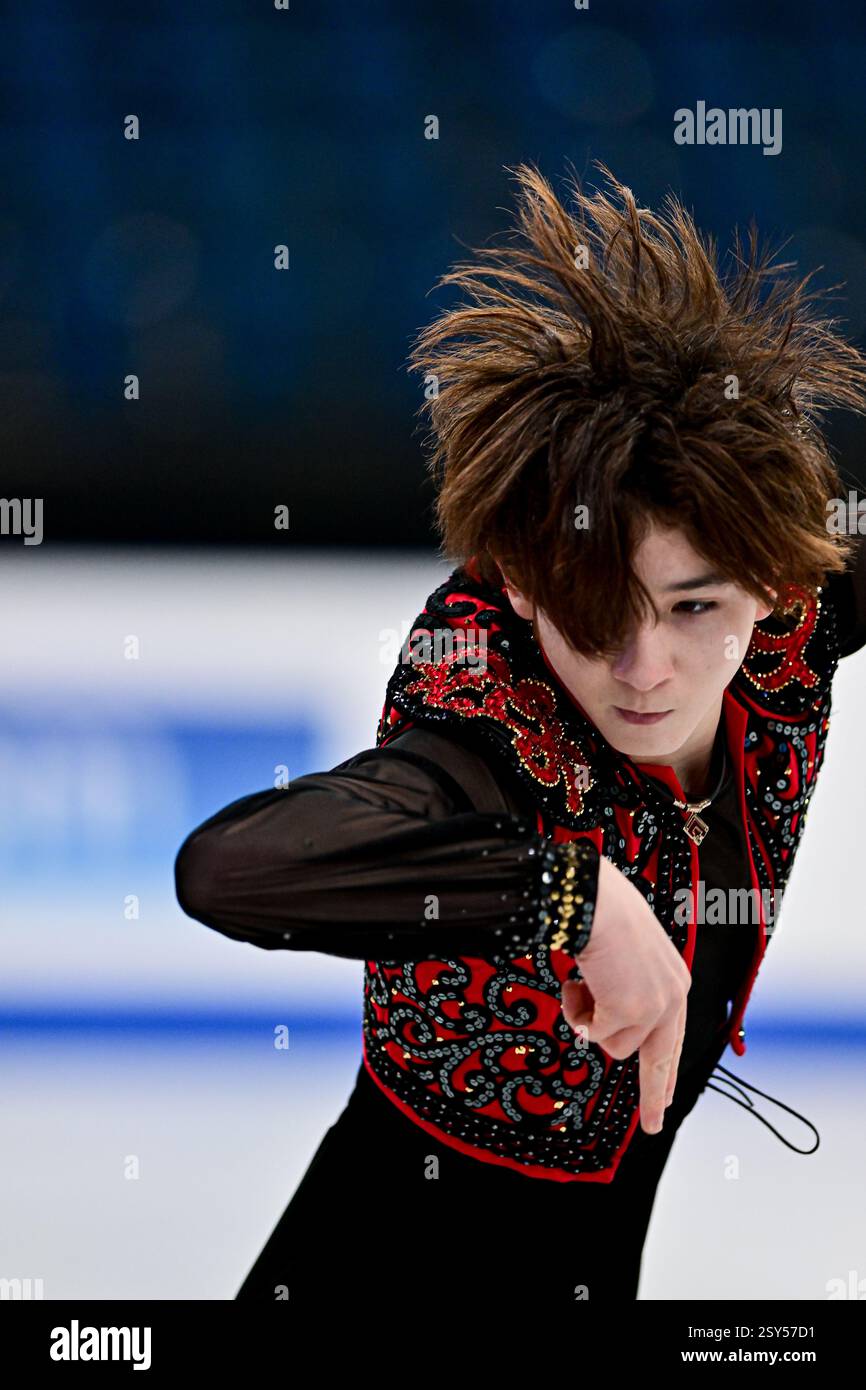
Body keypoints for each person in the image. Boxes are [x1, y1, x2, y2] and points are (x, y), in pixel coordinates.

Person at [174, 162, 866, 1307]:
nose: (643, 671)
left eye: (694, 607)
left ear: (774, 576)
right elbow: (229, 867)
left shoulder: (792, 600)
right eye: (592, 615)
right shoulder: (478, 716)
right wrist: (568, 895)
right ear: (525, 584)